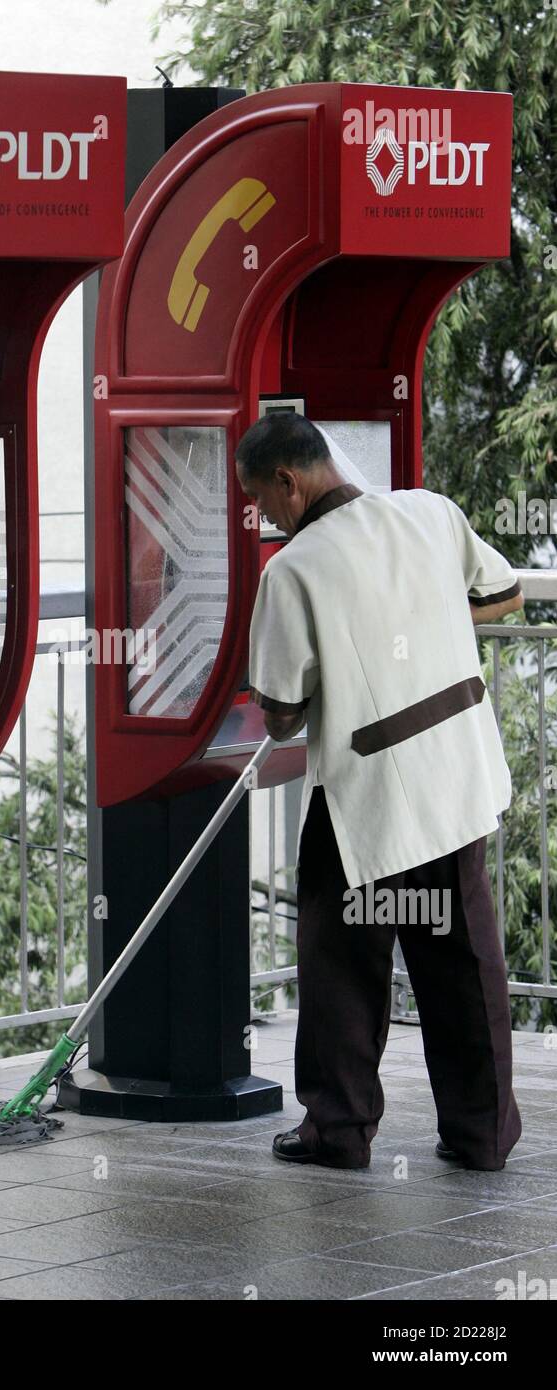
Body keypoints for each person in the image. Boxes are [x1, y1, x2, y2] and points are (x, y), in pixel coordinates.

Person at [236, 412, 523, 1171]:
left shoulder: (293, 571)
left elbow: (283, 711)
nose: (267, 520)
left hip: (366, 792)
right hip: (456, 774)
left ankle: (338, 1129)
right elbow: (504, 594)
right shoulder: (429, 512)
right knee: (464, 957)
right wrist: (424, 626)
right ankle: (483, 1135)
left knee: (342, 961)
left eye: (264, 503)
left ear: (289, 482)